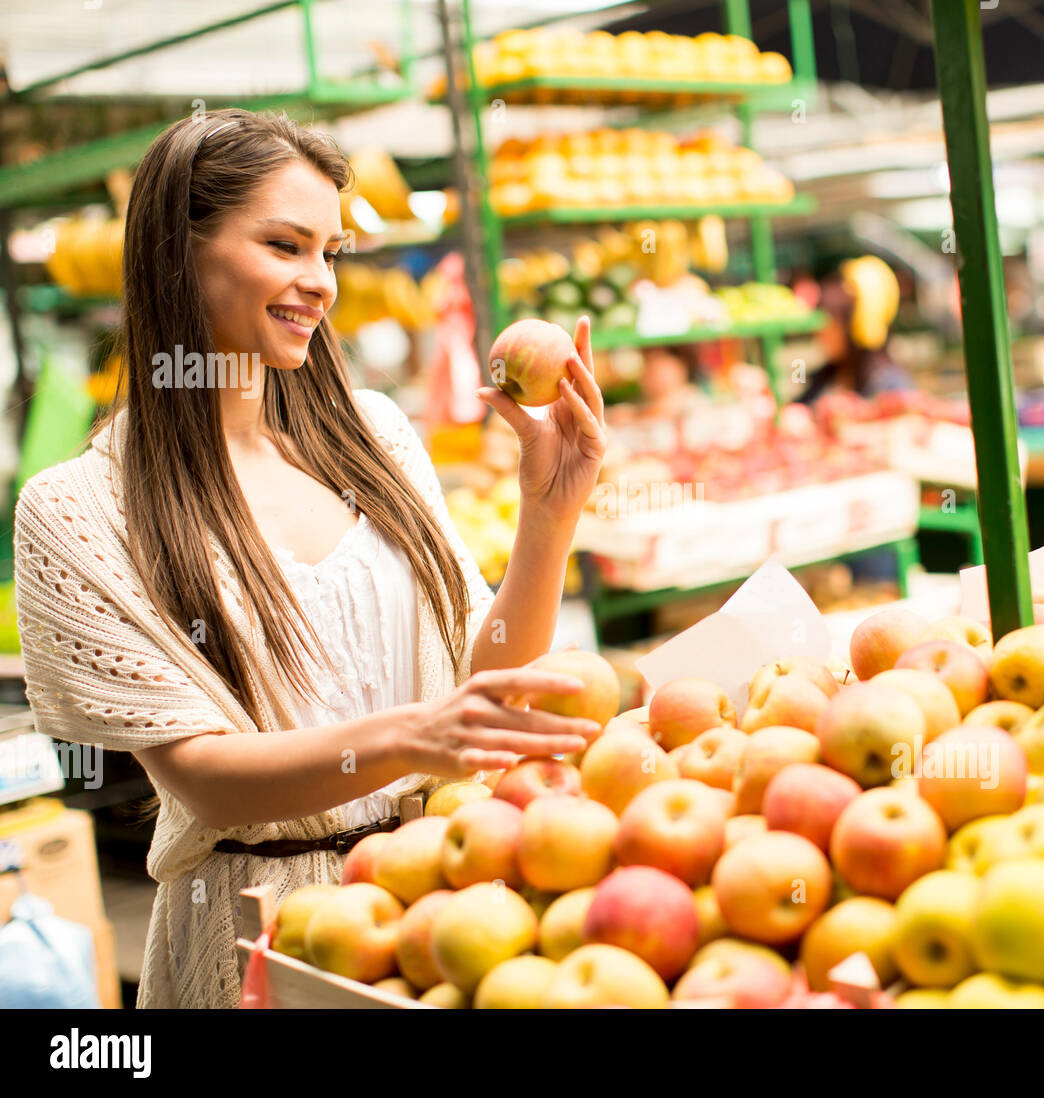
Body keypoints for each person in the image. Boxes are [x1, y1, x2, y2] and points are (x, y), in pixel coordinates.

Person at [12, 109, 607, 1009]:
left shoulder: (375, 438)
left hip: (437, 900)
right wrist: (411, 738)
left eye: (331, 252)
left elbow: (486, 684)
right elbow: (204, 780)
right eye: (286, 245)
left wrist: (549, 514)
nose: (319, 283)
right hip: (259, 931)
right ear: (178, 251)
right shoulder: (81, 509)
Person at [795, 270, 911, 406]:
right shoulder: (828, 377)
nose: (818, 335)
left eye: (827, 327)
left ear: (849, 326)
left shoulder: (890, 386)